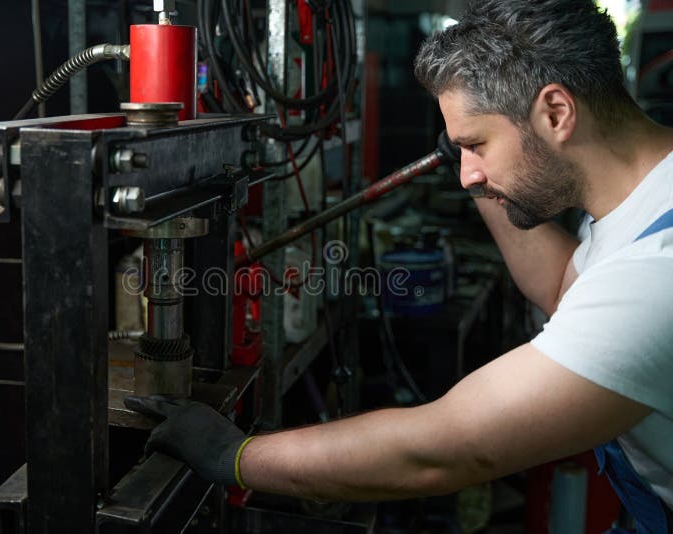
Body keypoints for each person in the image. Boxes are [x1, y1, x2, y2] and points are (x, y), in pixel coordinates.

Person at [126, 1, 673, 530]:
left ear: (556, 113)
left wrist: (235, 456)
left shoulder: (655, 271)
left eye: (476, 144)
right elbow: (566, 289)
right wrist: (490, 178)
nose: (465, 175)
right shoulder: (644, 196)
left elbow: (452, 448)